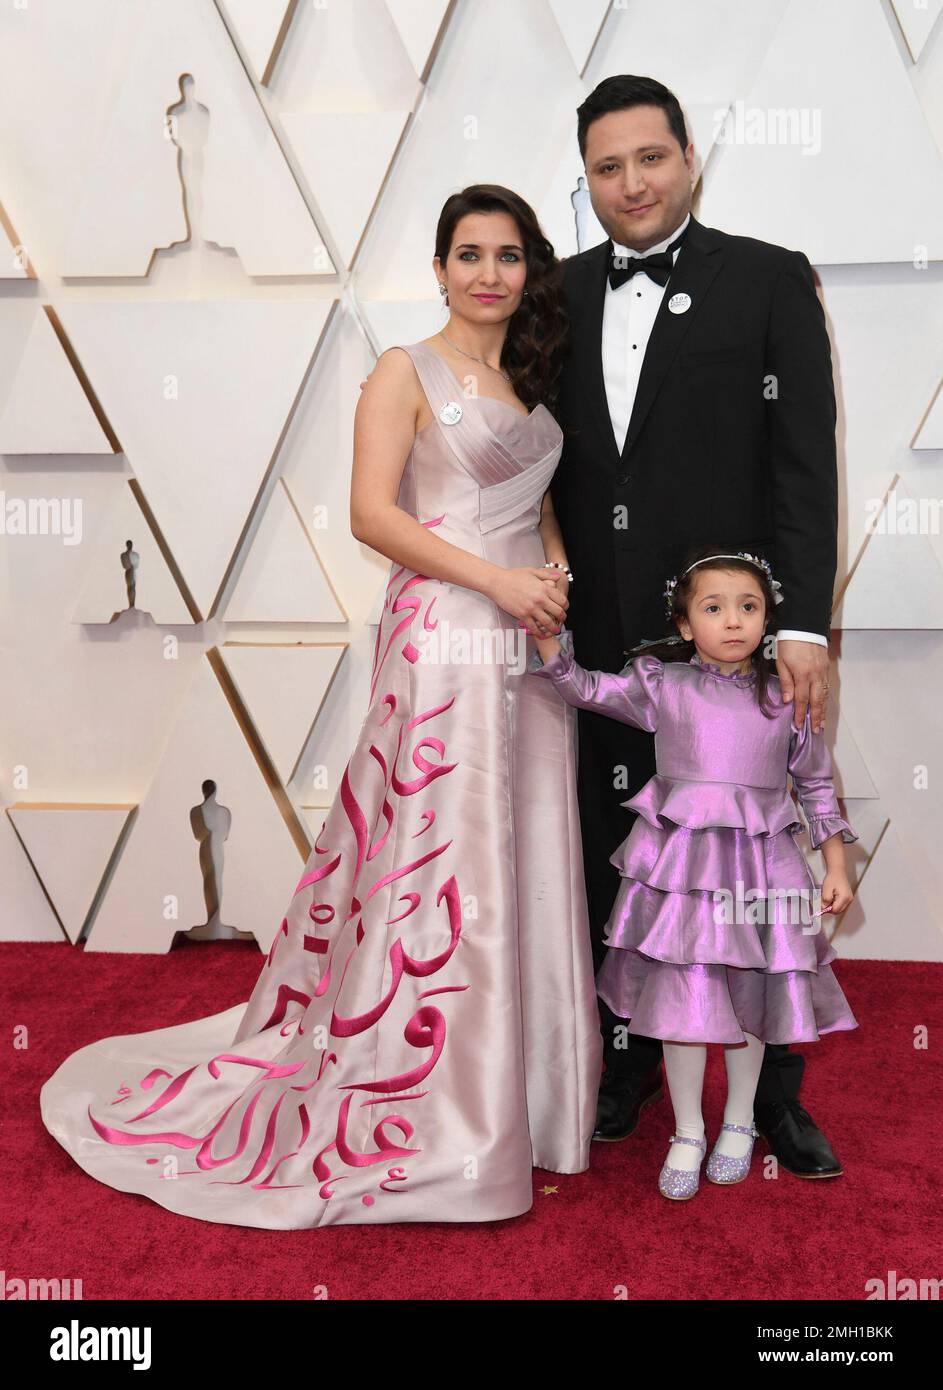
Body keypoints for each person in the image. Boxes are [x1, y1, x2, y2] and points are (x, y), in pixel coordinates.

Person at [39, 184, 602, 1229]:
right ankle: (433, 1102)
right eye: (469, 253)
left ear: (529, 271)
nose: (489, 272)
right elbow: (371, 516)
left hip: (525, 646)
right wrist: (496, 586)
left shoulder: (528, 378)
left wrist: (551, 589)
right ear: (437, 267)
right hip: (443, 638)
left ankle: (526, 1095)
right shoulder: (405, 370)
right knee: (446, 858)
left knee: (517, 854)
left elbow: (545, 510)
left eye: (509, 255)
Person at [550, 73, 847, 1175]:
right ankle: (625, 1056)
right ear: (586, 181)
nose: (631, 182)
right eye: (607, 166)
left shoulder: (769, 280)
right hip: (605, 638)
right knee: (617, 857)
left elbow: (805, 464)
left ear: (689, 159)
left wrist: (803, 625)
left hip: (741, 646)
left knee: (761, 871)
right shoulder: (559, 292)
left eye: (649, 157)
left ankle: (772, 1094)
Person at [528, 548, 858, 1199]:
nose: (732, 621)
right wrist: (549, 643)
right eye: (713, 608)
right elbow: (586, 690)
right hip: (681, 873)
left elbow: (815, 786)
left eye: (747, 607)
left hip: (768, 872)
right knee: (683, 1001)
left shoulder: (783, 695)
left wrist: (837, 865)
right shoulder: (661, 684)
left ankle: (738, 1124)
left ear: (766, 619)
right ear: (684, 625)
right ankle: (686, 1130)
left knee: (755, 999)